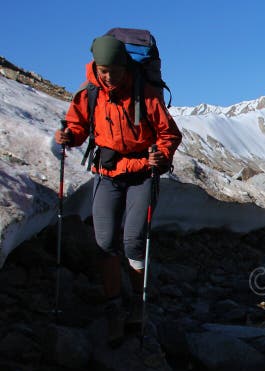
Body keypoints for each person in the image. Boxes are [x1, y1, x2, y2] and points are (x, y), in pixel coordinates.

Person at [55, 34, 182, 344]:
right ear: (96, 67)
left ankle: (137, 305)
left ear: (125, 66)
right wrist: (69, 136)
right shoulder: (90, 92)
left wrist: (162, 156)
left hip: (142, 172)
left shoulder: (145, 93)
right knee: (104, 242)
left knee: (134, 241)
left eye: (114, 71)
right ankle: (113, 307)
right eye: (104, 71)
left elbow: (168, 134)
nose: (109, 76)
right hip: (107, 172)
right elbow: (78, 125)